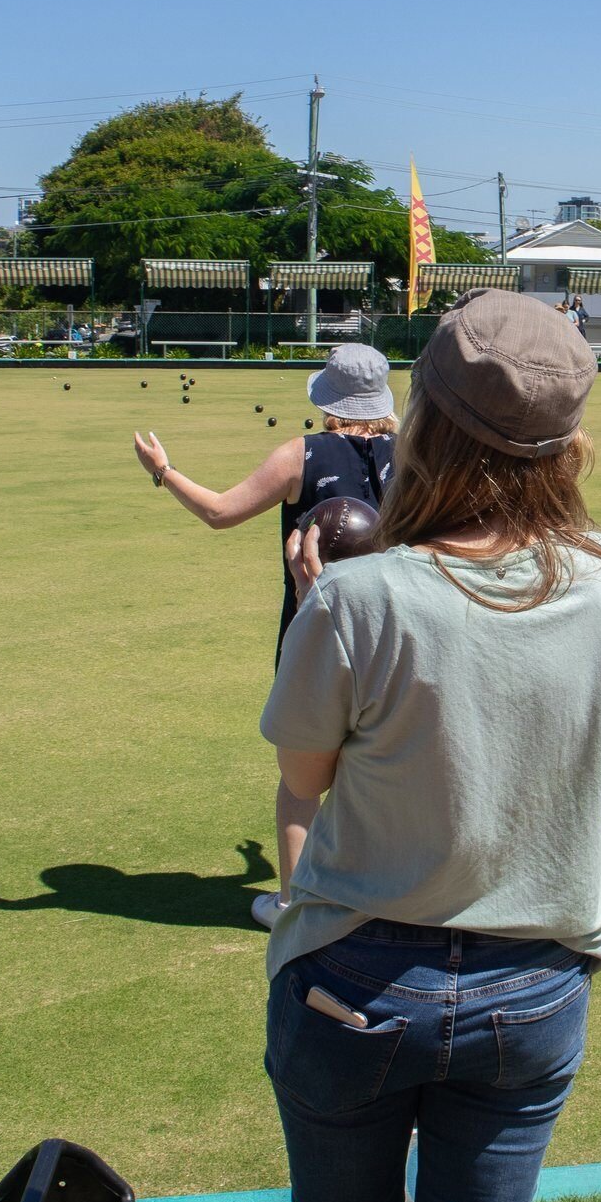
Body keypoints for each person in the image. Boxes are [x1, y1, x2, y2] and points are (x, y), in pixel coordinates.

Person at [259, 289, 601, 1202]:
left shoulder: (357, 596)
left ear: (426, 420)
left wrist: (328, 607)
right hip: (537, 979)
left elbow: (304, 779)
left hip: (356, 972)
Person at [132, 342, 399, 930]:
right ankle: (386, 896)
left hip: (316, 633)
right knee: (387, 763)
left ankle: (294, 906)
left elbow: (221, 512)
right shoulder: (416, 457)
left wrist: (163, 473)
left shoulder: (302, 453)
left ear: (328, 397)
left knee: (301, 779)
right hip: (399, 637)